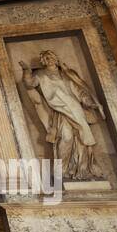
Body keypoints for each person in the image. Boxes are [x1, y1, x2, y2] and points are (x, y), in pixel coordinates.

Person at [19, 49, 104, 181]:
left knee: (81, 139)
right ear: (43, 62)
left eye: (52, 57)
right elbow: (30, 84)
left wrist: (90, 103)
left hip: (76, 110)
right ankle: (62, 170)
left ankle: (82, 169)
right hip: (60, 111)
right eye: (46, 58)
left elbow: (79, 92)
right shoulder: (41, 75)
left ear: (56, 59)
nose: (50, 59)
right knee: (66, 137)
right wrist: (26, 71)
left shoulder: (66, 75)